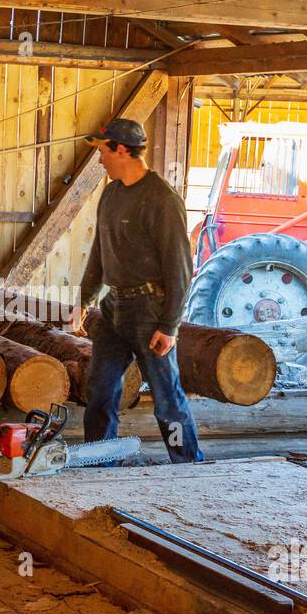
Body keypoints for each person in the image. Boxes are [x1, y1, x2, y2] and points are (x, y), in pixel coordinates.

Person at [69, 118, 203, 463]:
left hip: (150, 311)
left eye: (103, 151)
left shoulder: (161, 198)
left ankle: (187, 465)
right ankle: (99, 463)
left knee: (166, 399)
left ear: (122, 149)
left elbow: (180, 267)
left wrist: (169, 325)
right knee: (99, 392)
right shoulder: (111, 194)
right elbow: (100, 252)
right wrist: (84, 301)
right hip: (115, 309)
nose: (100, 160)